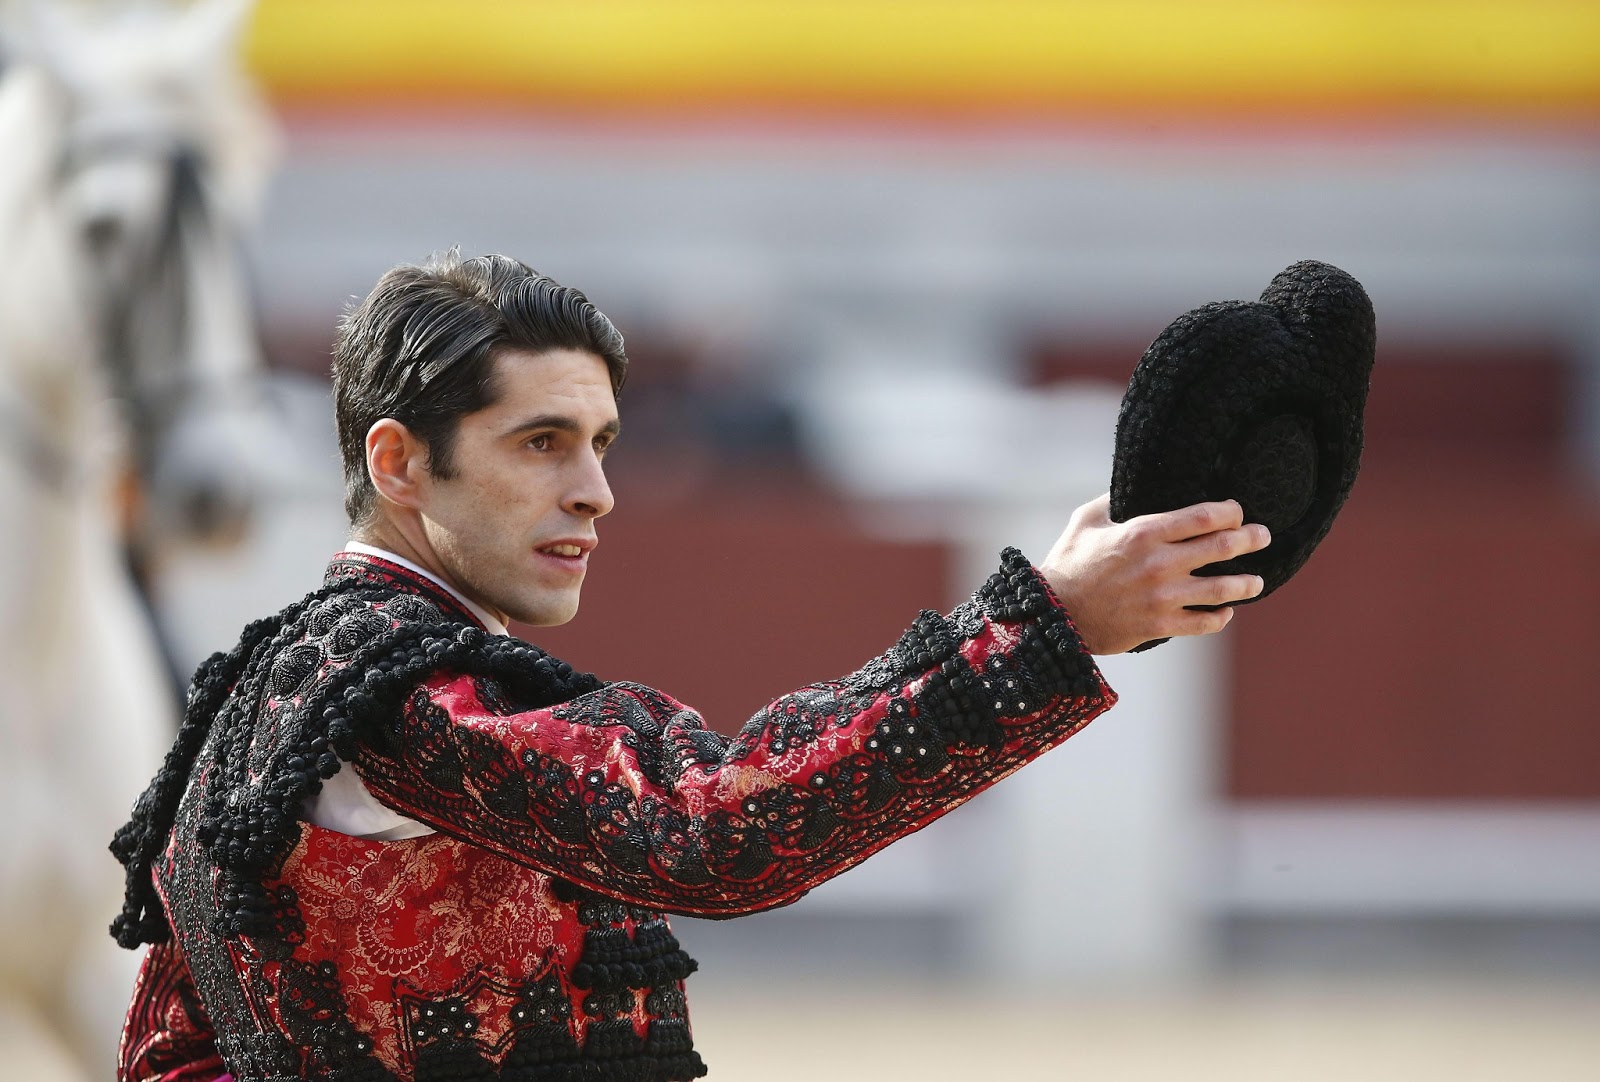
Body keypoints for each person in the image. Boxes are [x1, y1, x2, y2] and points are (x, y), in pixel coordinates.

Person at [110, 251, 1270, 1082]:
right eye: (541, 442)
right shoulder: (397, 695)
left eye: (601, 442)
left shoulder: (273, 682)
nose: (594, 490)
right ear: (401, 462)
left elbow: (172, 1043)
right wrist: (1044, 629)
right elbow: (713, 827)